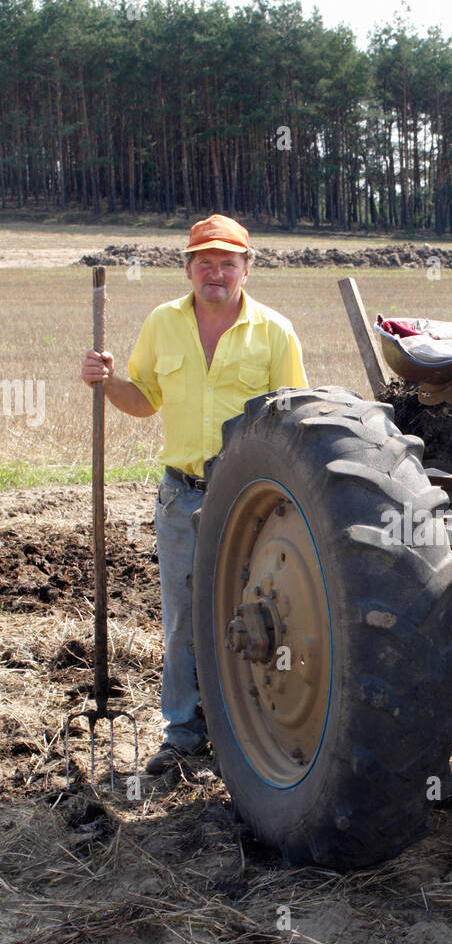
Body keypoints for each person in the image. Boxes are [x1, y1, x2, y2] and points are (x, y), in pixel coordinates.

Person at [81, 214, 308, 774]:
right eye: (205, 261)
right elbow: (143, 400)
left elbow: (296, 421)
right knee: (185, 617)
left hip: (253, 503)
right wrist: (106, 380)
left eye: (228, 262)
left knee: (258, 612)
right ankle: (183, 734)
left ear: (247, 269)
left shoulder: (274, 332)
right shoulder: (163, 324)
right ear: (187, 267)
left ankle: (249, 731)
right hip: (183, 496)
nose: (216, 272)